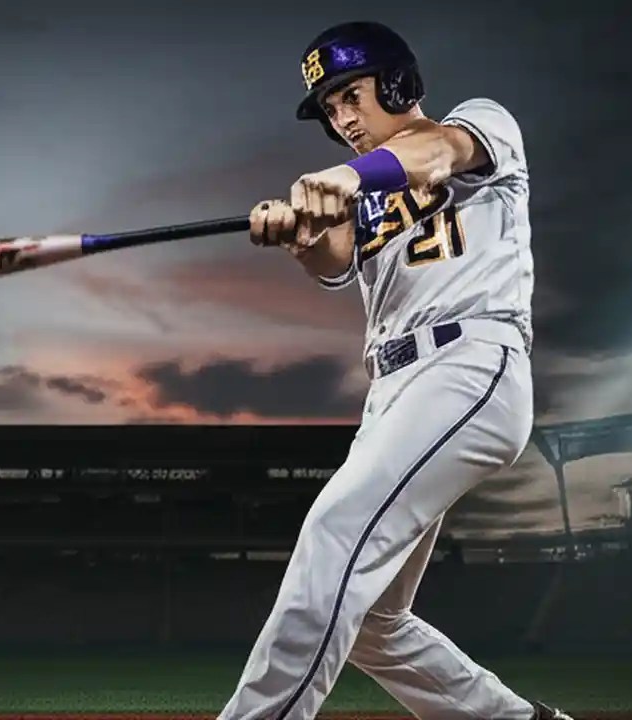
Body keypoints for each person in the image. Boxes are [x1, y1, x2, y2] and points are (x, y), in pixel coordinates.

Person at [222, 21, 572, 720]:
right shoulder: (365, 192)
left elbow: (436, 154)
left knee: (334, 535)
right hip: (393, 390)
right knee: (376, 623)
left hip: (469, 365)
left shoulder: (480, 123)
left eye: (352, 95)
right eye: (330, 110)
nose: (343, 119)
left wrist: (342, 178)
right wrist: (299, 234)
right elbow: (333, 260)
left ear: (399, 83)